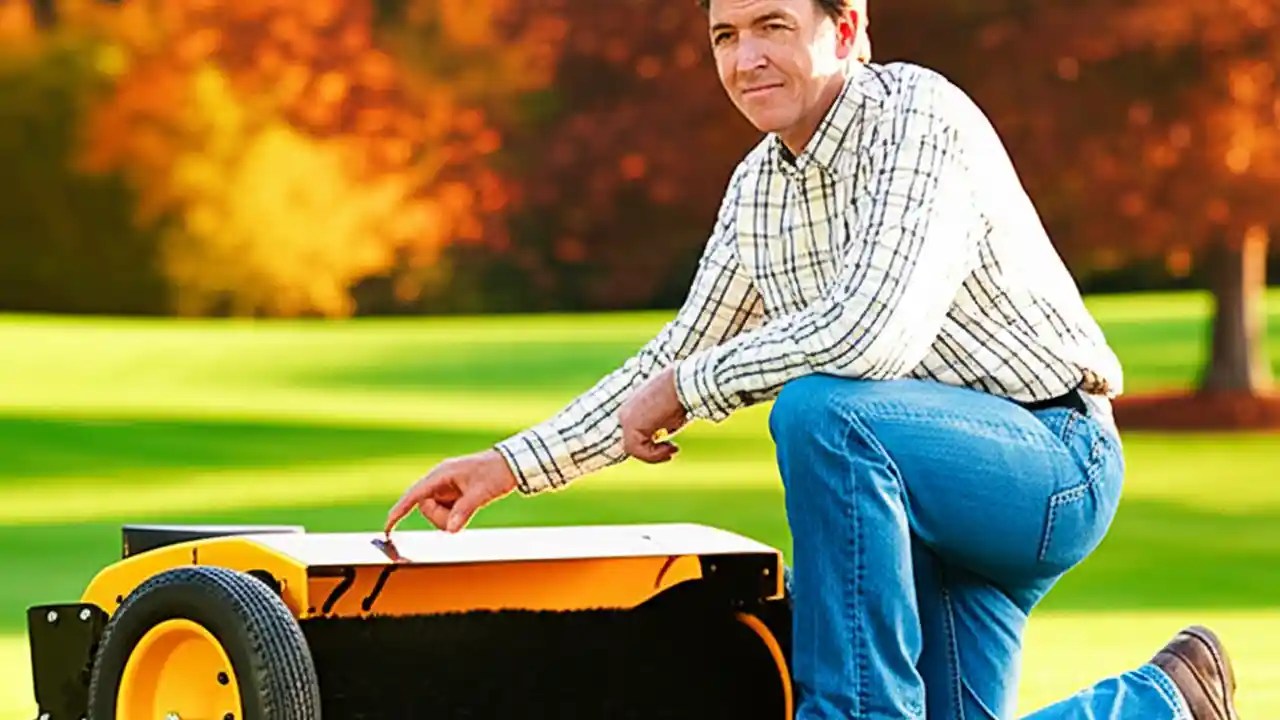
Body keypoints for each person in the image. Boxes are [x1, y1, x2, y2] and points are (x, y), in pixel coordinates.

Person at [385, 0, 1242, 718]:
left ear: (845, 29)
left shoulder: (916, 118)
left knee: (819, 410)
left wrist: (691, 388)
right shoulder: (757, 188)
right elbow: (673, 355)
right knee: (831, 415)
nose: (746, 58)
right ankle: (1167, 699)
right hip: (914, 503)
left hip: (1046, 463)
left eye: (771, 26)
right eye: (725, 36)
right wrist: (506, 467)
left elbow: (873, 334)